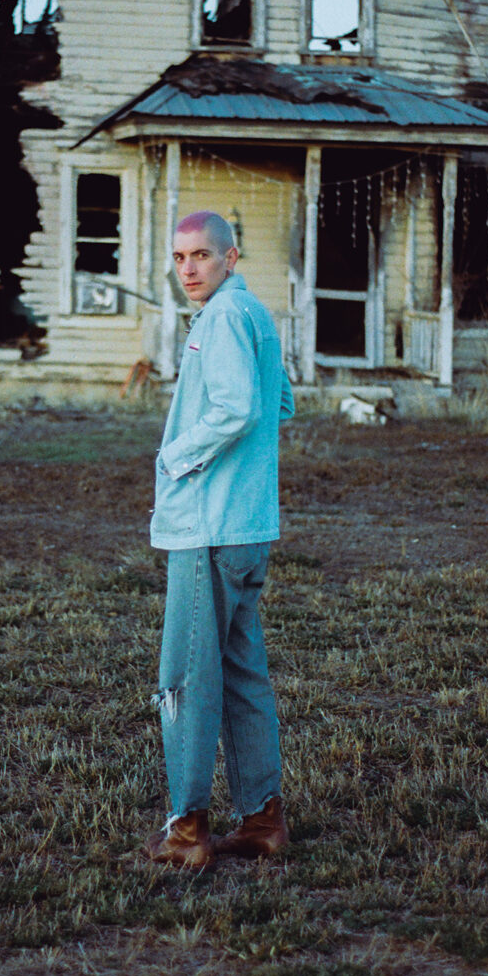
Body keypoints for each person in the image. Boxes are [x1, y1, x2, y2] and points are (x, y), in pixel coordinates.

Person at [144, 210, 295, 869]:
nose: (188, 269)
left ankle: (186, 834)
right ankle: (262, 821)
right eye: (179, 258)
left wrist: (178, 456)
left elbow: (239, 409)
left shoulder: (225, 317)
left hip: (210, 526)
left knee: (186, 678)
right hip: (248, 523)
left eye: (201, 255)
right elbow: (281, 403)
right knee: (239, 672)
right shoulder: (255, 314)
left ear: (232, 256)